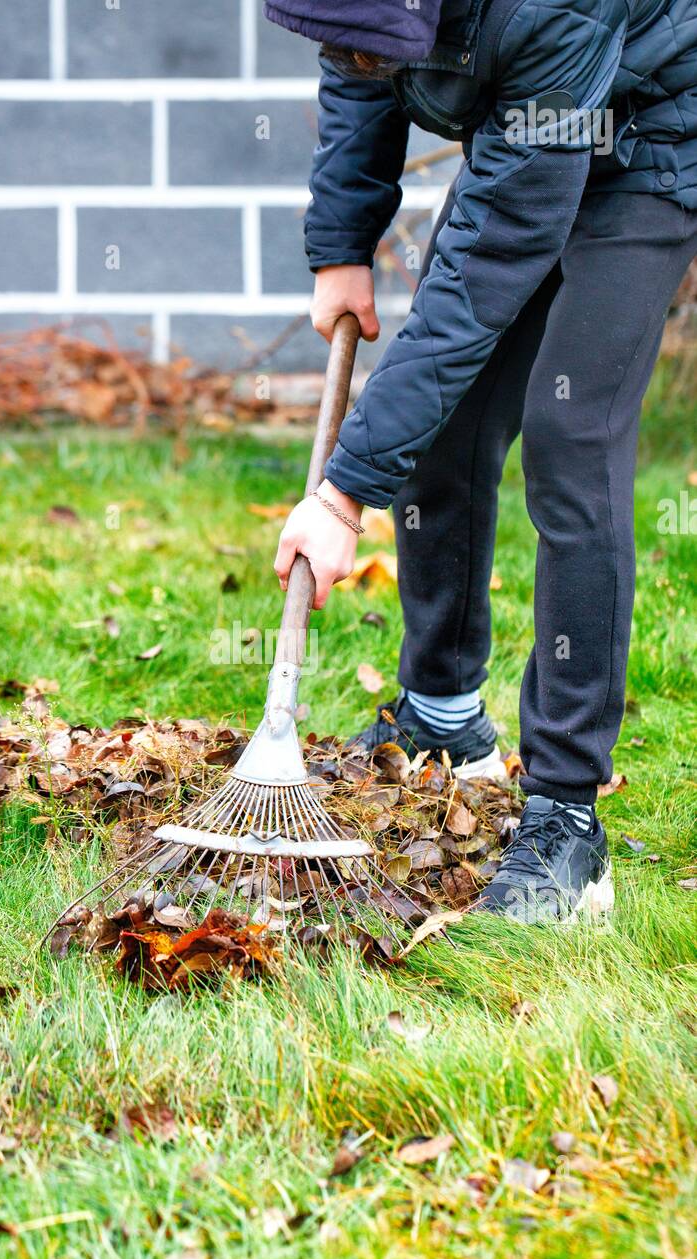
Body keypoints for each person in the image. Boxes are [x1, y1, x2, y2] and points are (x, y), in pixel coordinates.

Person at [267, 0, 697, 923]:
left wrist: (342, 497)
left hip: (655, 132)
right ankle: (443, 713)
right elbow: (359, 61)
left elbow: (484, 270)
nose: (343, 51)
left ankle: (566, 820)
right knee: (447, 414)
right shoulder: (379, 16)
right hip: (530, 119)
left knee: (569, 433)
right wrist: (339, 246)